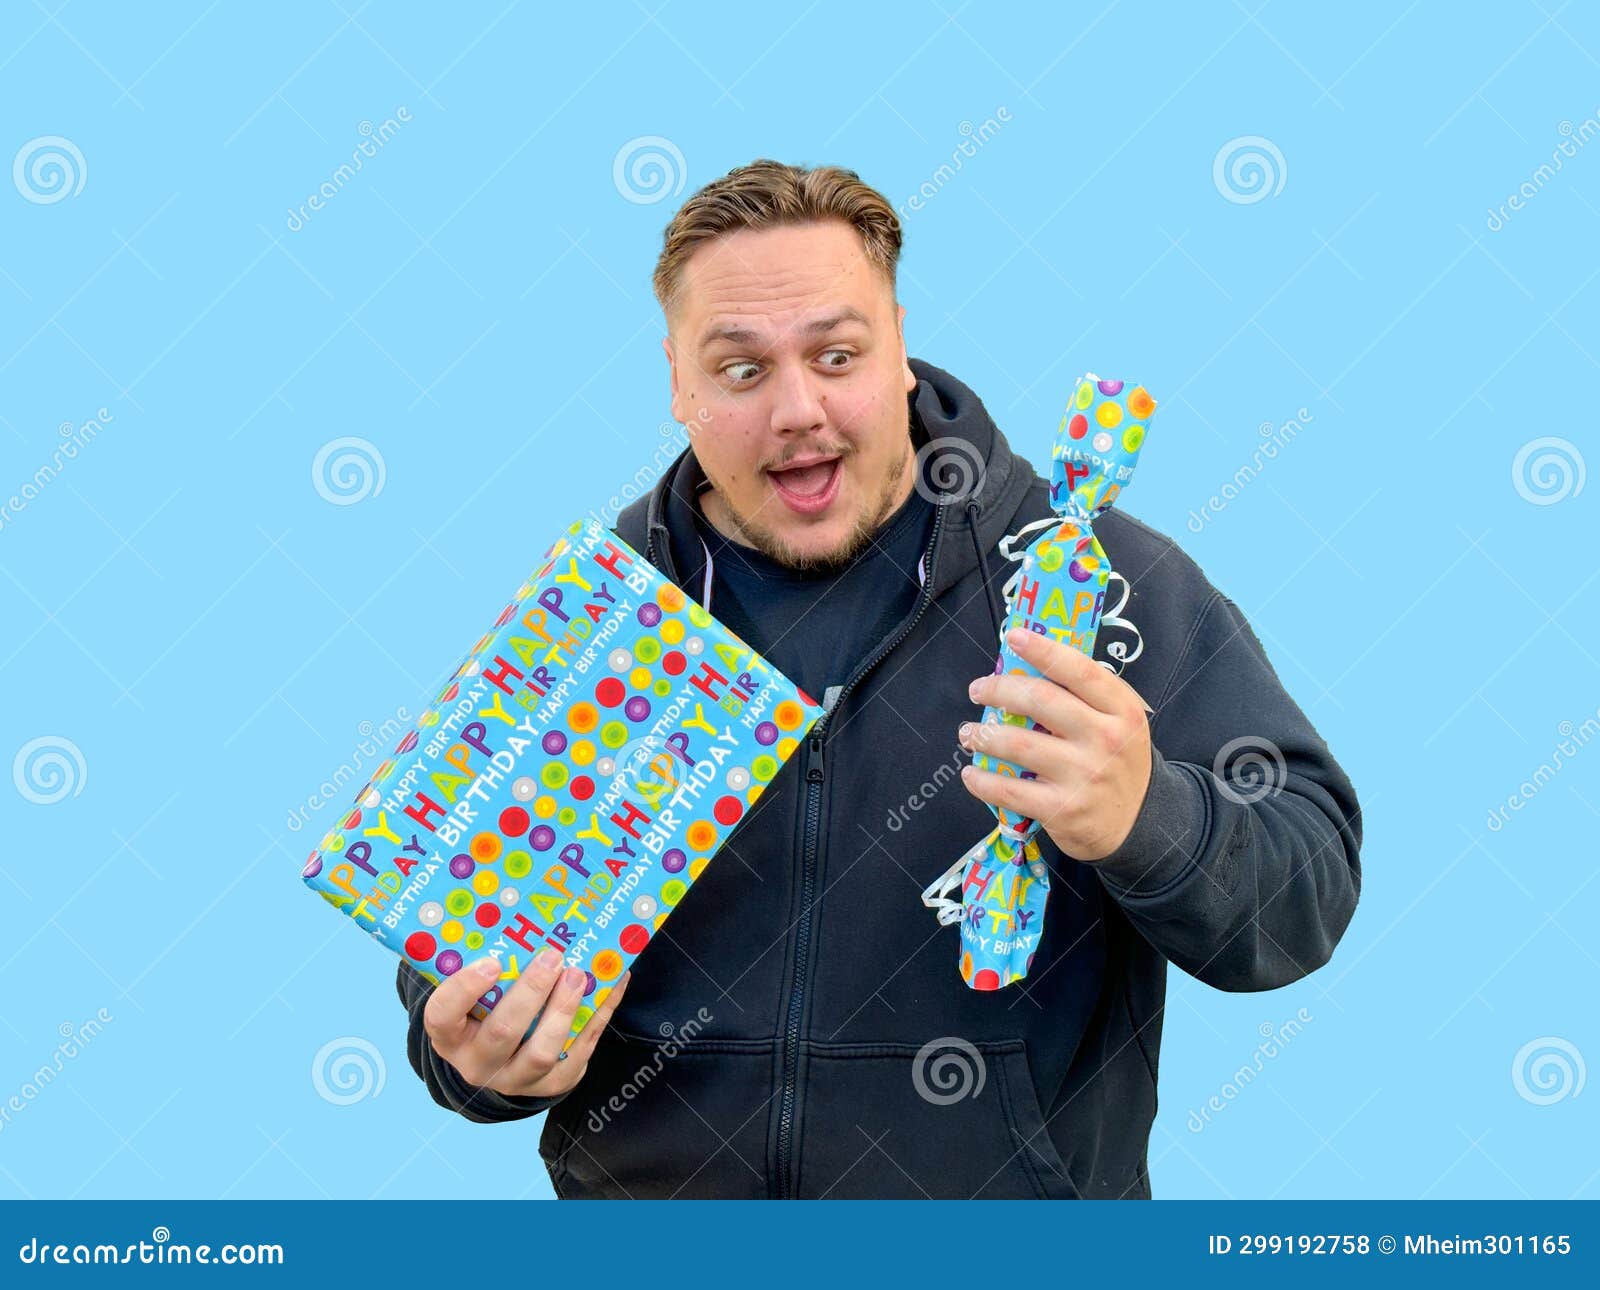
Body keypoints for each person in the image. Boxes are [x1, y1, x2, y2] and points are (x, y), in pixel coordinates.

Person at [397, 159, 1362, 1199]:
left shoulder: (1096, 582)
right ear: (677, 381)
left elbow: (1302, 902)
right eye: (740, 370)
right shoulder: (598, 620)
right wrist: (477, 1060)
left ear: (898, 347)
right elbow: (456, 955)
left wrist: (1146, 815)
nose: (798, 410)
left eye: (837, 354)